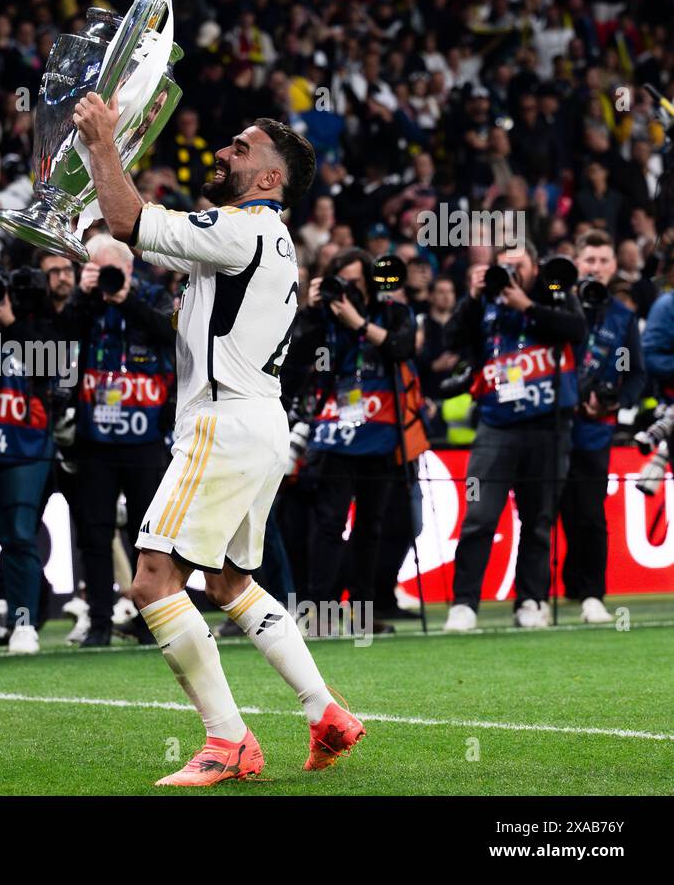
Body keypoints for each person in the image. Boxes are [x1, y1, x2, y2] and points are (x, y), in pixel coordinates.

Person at [72, 97, 363, 786]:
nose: (223, 153)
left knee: (150, 580)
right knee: (229, 578)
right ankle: (325, 711)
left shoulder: (244, 229)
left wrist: (107, 143)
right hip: (256, 421)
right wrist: (94, 159)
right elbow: (122, 227)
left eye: (239, 148)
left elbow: (129, 221)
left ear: (269, 178)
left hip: (224, 422)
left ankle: (227, 738)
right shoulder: (258, 238)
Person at [442, 243, 587, 631]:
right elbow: (450, 340)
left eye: (517, 265)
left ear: (534, 268)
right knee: (479, 516)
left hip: (547, 427)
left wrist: (526, 305)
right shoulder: (485, 301)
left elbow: (577, 330)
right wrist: (472, 298)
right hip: (495, 426)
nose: (508, 273)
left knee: (538, 521)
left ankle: (530, 600)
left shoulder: (555, 294)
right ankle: (464, 604)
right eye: (502, 266)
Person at [62, 232, 175, 647]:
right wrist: (84, 297)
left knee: (149, 537)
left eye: (113, 269)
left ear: (129, 267)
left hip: (146, 438)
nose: (108, 277)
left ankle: (152, 621)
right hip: (94, 441)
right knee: (94, 533)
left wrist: (127, 299)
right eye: (97, 269)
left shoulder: (154, 296)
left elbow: (172, 336)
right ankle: (99, 622)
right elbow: (57, 342)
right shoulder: (84, 301)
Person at [297, 248, 418, 635]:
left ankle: (362, 614)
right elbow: (295, 357)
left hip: (380, 435)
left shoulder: (391, 311)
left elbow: (403, 347)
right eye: (340, 281)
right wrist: (311, 309)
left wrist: (358, 322)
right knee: (330, 524)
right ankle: (319, 612)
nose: (346, 289)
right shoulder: (321, 318)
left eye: (354, 281)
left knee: (371, 526)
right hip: (335, 436)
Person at [0, 261, 62, 654]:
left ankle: (24, 621)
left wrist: (10, 321)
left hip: (26, 446)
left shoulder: (42, 325)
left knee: (19, 536)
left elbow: (56, 366)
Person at [560, 232, 644, 623]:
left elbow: (635, 374)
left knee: (590, 513)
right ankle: (541, 596)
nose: (595, 267)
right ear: (577, 263)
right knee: (547, 512)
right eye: (589, 259)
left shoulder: (623, 317)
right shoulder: (557, 305)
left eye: (603, 260)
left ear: (614, 268)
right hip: (553, 428)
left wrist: (615, 401)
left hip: (594, 431)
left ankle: (592, 593)